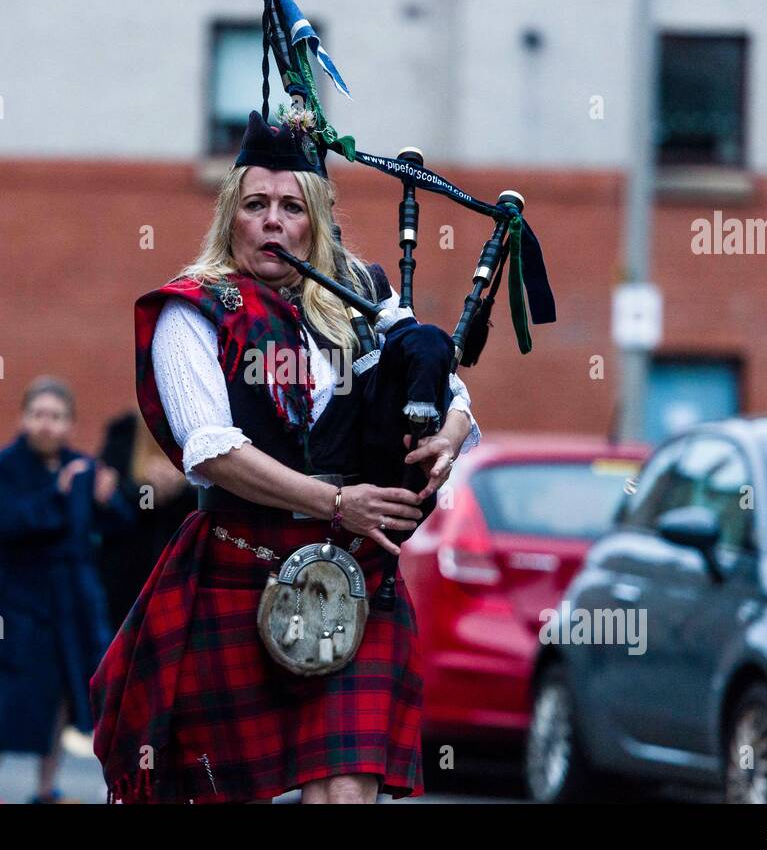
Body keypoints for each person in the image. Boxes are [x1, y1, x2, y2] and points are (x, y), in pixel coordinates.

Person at [89, 110, 481, 804]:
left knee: (344, 790)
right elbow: (212, 451)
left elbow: (445, 389)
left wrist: (447, 436)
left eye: (291, 207)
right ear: (231, 219)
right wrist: (336, 501)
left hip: (353, 582)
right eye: (256, 205)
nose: (273, 222)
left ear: (316, 223)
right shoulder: (195, 311)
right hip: (239, 570)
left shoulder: (361, 301)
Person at [0, 376, 135, 804]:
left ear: (71, 423)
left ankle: (46, 788)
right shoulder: (6, 467)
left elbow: (117, 528)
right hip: (17, 605)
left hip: (71, 603)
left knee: (64, 693)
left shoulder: (80, 468)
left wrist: (106, 499)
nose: (46, 425)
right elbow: (7, 524)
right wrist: (56, 496)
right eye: (38, 415)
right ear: (23, 418)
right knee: (14, 691)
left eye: (56, 417)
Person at [96, 411, 197, 631]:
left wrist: (179, 488)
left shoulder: (199, 431)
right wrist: (149, 491)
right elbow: (110, 498)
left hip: (182, 571)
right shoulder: (123, 432)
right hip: (126, 576)